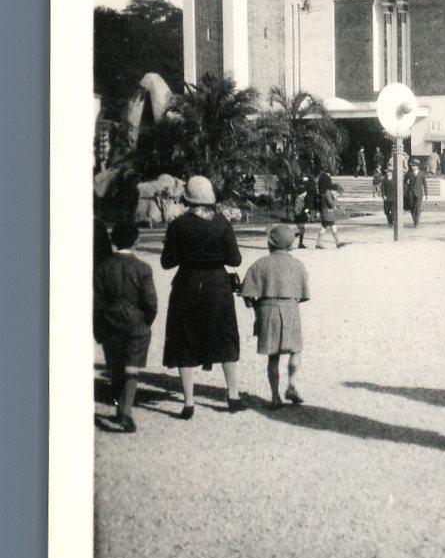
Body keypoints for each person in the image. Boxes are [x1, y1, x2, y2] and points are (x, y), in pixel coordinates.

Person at [161, 175, 244, 419]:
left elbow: (167, 262)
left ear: (187, 198)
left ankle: (188, 402)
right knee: (225, 335)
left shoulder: (178, 225)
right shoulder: (222, 223)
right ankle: (233, 395)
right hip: (217, 285)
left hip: (187, 284)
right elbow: (235, 259)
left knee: (185, 338)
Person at [93, 221, 158, 432]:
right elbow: (151, 302)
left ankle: (118, 407)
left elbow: (97, 301)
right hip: (136, 324)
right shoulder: (143, 268)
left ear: (112, 241)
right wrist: (144, 321)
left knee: (115, 369)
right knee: (131, 369)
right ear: (137, 241)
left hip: (110, 323)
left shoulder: (102, 268)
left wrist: (98, 326)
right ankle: (125, 412)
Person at [241, 223, 310, 408]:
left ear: (270, 244)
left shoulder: (259, 264)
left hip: (266, 310)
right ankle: (292, 384)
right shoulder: (297, 265)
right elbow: (303, 295)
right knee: (296, 350)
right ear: (290, 245)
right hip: (290, 309)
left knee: (273, 357)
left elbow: (247, 296)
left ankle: (274, 396)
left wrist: (255, 306)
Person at [315, 173, 343, 249]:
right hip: (328, 213)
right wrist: (335, 199)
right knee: (330, 227)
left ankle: (320, 243)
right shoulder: (327, 192)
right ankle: (337, 243)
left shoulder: (325, 192)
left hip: (327, 213)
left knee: (326, 227)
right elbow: (330, 204)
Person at [292, 174, 317, 249]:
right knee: (302, 230)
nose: (306, 193)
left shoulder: (301, 199)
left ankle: (300, 243)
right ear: (302, 193)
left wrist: (306, 211)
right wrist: (302, 213)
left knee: (302, 230)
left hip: (301, 216)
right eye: (305, 192)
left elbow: (305, 209)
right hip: (299, 217)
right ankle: (292, 237)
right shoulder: (298, 200)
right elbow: (297, 209)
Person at [405, 158, 427, 227]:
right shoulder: (409, 174)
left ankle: (416, 221)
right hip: (410, 193)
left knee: (417, 207)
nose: (412, 167)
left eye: (414, 165)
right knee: (411, 207)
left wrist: (426, 194)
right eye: (411, 165)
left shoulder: (422, 174)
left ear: (417, 166)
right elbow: (404, 182)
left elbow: (425, 184)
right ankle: (414, 219)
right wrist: (406, 186)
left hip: (419, 193)